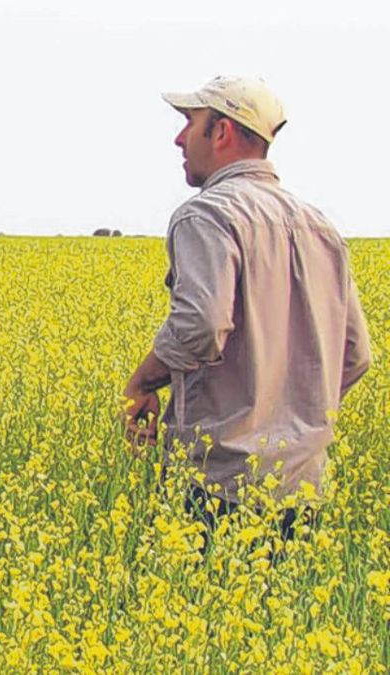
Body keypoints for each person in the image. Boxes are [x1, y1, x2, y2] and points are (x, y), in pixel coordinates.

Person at [121, 75, 372, 547]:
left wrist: (142, 381)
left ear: (221, 132)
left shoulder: (207, 215)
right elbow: (355, 354)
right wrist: (296, 420)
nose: (179, 139)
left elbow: (201, 326)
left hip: (217, 482)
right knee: (283, 619)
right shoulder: (320, 226)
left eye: (189, 124)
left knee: (195, 614)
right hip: (302, 490)